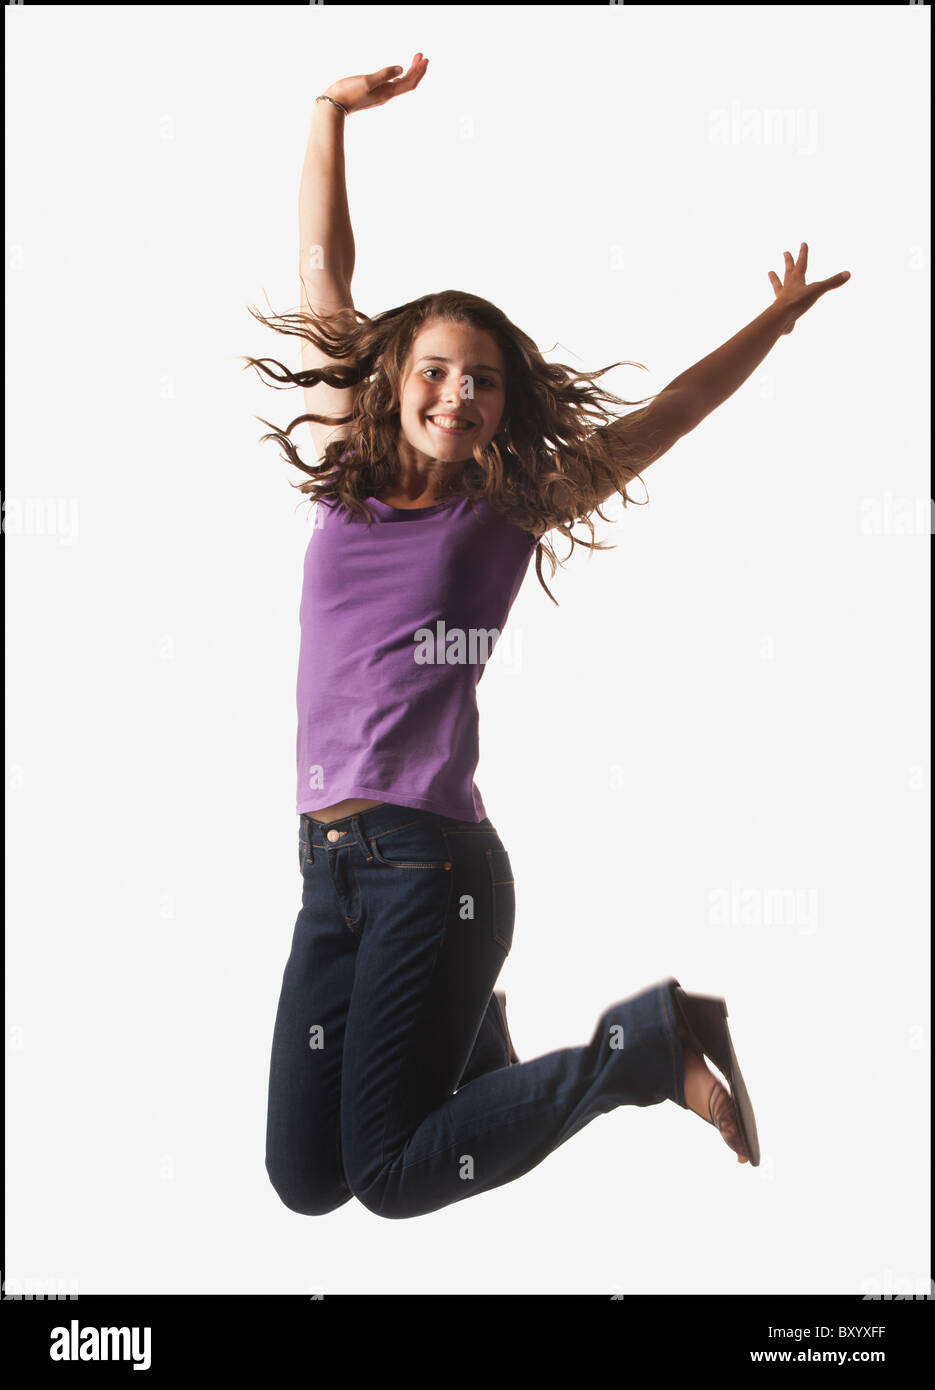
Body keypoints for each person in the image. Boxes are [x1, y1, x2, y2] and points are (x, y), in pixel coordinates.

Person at [244, 55, 850, 1219]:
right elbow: (323, 268)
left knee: (385, 1178)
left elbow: (667, 415)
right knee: (306, 1177)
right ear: (393, 377)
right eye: (434, 370)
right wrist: (328, 115)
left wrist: (770, 324)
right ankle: (476, 1035)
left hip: (432, 866)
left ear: (502, 404)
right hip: (326, 869)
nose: (455, 393)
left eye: (480, 381)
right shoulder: (342, 466)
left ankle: (643, 1044)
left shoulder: (510, 507)